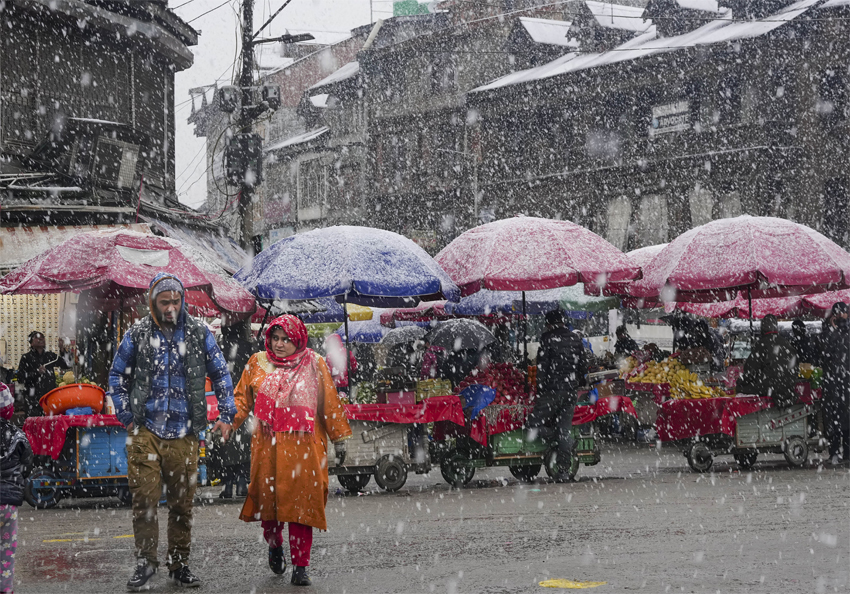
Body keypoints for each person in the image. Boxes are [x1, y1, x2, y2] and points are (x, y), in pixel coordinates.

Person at [108, 273, 236, 591]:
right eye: (165, 301)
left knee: (182, 505)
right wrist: (127, 417)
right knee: (145, 502)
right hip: (145, 431)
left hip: (185, 433)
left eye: (176, 300)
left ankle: (179, 565)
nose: (171, 307)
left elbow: (220, 371)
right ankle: (145, 563)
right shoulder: (137, 334)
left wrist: (226, 413)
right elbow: (116, 376)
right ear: (152, 302)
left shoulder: (197, 333)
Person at [232, 315, 351, 586]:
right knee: (270, 509)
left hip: (304, 451)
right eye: (275, 338)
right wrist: (228, 423)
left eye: (286, 339)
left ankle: (301, 566)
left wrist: (340, 438)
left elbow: (329, 404)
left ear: (298, 339)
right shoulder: (256, 363)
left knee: (302, 508)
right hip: (268, 450)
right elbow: (241, 399)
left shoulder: (314, 363)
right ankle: (275, 545)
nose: (279, 344)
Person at [526, 310, 588, 481]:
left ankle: (560, 439)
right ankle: (563, 471)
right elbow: (583, 365)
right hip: (570, 391)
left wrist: (540, 390)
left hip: (551, 391)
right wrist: (579, 382)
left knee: (532, 425)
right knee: (564, 430)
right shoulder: (575, 338)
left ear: (549, 324)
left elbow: (542, 368)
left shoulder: (547, 339)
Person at [214, 320, 258, 499]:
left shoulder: (218, 347)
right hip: (246, 399)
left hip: (224, 399)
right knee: (245, 443)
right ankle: (242, 482)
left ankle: (227, 484)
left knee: (226, 442)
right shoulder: (250, 348)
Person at [1, 382, 32, 594]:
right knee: (6, 550)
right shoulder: (17, 435)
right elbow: (27, 463)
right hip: (8, 504)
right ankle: (5, 588)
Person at [736, 315, 799, 408]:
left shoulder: (761, 345)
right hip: (788, 389)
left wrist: (740, 382)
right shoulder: (787, 344)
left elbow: (750, 371)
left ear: (762, 328)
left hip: (769, 388)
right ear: (776, 327)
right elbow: (796, 369)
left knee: (740, 390)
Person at [820, 302, 850, 465]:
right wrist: (830, 330)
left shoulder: (844, 333)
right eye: (837, 315)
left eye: (842, 314)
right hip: (834, 383)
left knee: (844, 419)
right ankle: (835, 453)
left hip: (844, 383)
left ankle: (844, 453)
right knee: (835, 419)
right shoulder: (828, 332)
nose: (840, 317)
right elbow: (822, 354)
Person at [17, 331, 69, 417]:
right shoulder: (26, 358)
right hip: (33, 402)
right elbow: (20, 378)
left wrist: (62, 349)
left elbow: (66, 365)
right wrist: (37, 372)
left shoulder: (50, 356)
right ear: (31, 343)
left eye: (42, 337)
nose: (41, 339)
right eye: (37, 337)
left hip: (49, 400)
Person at [323, 333, 358, 398]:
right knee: (347, 401)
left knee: (336, 402)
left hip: (335, 384)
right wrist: (351, 373)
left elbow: (329, 371)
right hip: (347, 383)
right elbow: (354, 366)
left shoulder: (330, 355)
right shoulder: (348, 352)